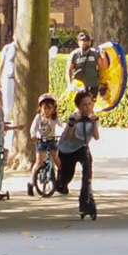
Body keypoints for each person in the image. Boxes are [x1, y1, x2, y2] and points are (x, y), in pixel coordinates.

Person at [55, 87, 101, 219]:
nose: (87, 107)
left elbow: (96, 137)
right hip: (67, 149)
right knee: (66, 177)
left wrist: (93, 123)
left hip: (82, 147)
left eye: (89, 104)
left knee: (87, 173)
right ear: (79, 106)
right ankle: (61, 181)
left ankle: (86, 201)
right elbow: (68, 137)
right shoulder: (73, 117)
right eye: (84, 105)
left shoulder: (94, 118)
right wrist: (71, 123)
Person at [65, 31, 103, 99]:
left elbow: (101, 67)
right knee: (81, 105)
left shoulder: (95, 53)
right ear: (79, 43)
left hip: (93, 85)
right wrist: (69, 84)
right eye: (83, 41)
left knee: (91, 105)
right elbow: (69, 70)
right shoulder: (74, 55)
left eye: (87, 41)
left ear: (90, 42)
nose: (85, 43)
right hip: (79, 86)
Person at [28, 93, 60, 169]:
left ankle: (61, 177)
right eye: (45, 108)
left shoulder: (54, 118)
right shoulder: (39, 117)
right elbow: (33, 127)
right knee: (39, 162)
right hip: (41, 141)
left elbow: (61, 126)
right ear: (40, 108)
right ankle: (33, 180)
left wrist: (63, 134)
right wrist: (33, 134)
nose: (47, 111)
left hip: (52, 140)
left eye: (49, 108)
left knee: (57, 160)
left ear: (53, 109)